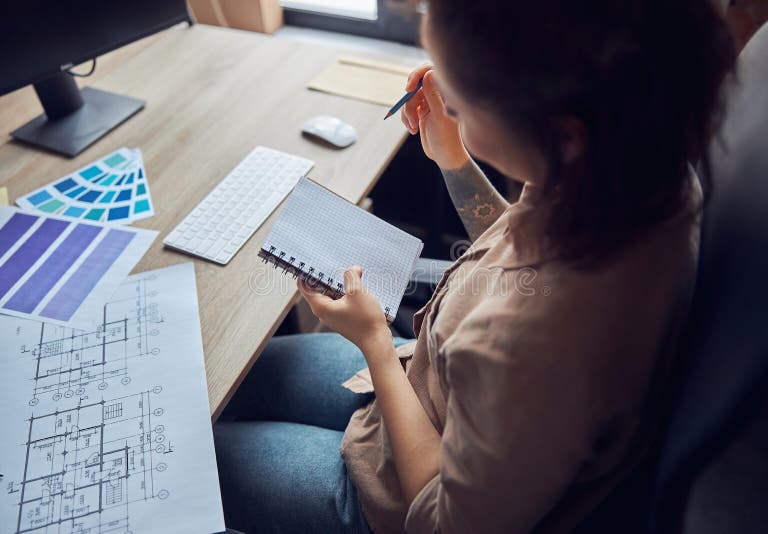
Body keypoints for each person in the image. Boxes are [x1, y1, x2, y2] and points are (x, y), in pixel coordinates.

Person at [213, 1, 736, 532]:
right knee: (245, 379)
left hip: (390, 498)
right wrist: (455, 159)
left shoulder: (537, 345)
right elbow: (515, 246)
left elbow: (441, 522)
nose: (448, 99)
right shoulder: (633, 165)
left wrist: (373, 341)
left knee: (204, 448)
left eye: (462, 100)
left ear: (563, 134)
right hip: (430, 383)